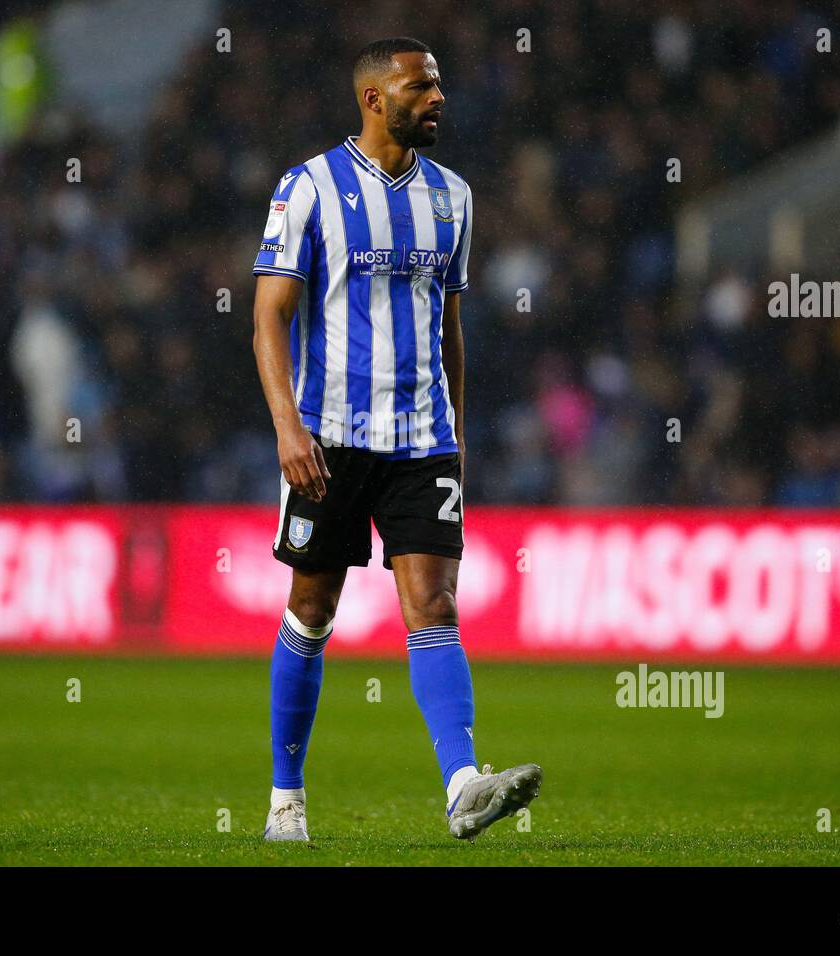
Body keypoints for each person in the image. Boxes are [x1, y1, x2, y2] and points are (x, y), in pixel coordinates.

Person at [251, 36, 542, 843]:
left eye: (440, 83)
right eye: (423, 87)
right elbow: (269, 313)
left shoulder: (454, 197)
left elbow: (449, 323)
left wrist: (456, 425)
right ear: (375, 99)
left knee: (434, 604)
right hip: (329, 440)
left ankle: (462, 787)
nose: (439, 98)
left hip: (423, 440)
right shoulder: (307, 188)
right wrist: (286, 426)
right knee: (313, 608)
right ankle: (286, 799)